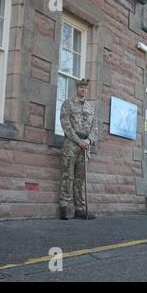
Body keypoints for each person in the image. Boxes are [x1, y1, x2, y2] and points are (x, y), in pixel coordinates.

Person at [58, 79, 98, 220]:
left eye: (85, 88)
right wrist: (78, 140)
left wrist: (88, 141)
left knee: (80, 179)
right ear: (77, 88)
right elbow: (65, 124)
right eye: (81, 87)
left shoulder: (90, 107)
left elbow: (95, 127)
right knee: (67, 176)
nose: (83, 90)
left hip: (85, 147)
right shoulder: (68, 104)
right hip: (71, 144)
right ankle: (64, 207)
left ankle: (80, 209)